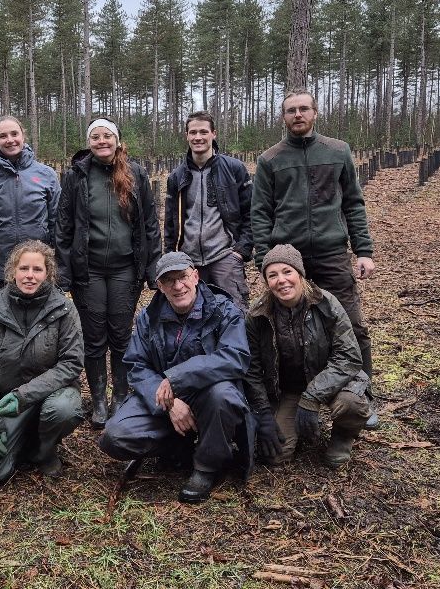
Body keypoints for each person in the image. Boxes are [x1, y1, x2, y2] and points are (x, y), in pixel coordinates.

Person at [250, 90, 378, 427]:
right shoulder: (270, 159)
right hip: (288, 258)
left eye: (303, 109)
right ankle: (288, 392)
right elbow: (260, 213)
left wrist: (363, 250)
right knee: (285, 327)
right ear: (283, 117)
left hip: (331, 253)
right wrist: (264, 261)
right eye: (291, 110)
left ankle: (363, 393)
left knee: (353, 323)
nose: (298, 115)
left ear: (315, 113)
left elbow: (353, 203)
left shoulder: (337, 151)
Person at [99, 252, 254, 504]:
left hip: (208, 396)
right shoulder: (148, 317)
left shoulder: (224, 310)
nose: (178, 286)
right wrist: (170, 404)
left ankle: (206, 467)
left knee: (222, 395)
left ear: (195, 276)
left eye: (182, 277)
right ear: (160, 286)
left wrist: (178, 377)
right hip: (163, 398)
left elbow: (235, 357)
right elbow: (136, 365)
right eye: (169, 280)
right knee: (114, 437)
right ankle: (179, 445)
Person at [55, 117, 161, 428]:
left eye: (107, 136)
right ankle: (99, 398)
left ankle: (121, 395)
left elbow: (150, 224)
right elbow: (63, 225)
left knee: (121, 334)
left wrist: (153, 267)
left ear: (117, 140)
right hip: (87, 271)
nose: (102, 141)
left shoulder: (136, 173)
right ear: (89, 142)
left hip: (125, 268)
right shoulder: (76, 175)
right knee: (94, 337)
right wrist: (63, 270)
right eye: (95, 137)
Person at [0, 240, 84, 486]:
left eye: (37, 269)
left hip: (49, 396)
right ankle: (20, 442)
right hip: (6, 404)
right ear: (13, 271)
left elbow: (71, 363)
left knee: (63, 409)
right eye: (23, 268)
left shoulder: (64, 310)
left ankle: (45, 450)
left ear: (48, 273)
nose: (30, 275)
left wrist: (23, 395)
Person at [244, 245, 370, 470]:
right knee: (274, 455)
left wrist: (312, 397)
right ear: (266, 282)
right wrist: (263, 414)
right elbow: (252, 369)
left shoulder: (326, 304)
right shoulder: (257, 314)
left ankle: (343, 435)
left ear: (300, 274)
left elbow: (349, 357)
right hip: (289, 389)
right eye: (272, 275)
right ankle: (297, 426)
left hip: (332, 382)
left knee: (351, 404)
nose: (281, 280)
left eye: (287, 272)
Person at [164, 110, 253, 310]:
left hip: (225, 256)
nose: (198, 137)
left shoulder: (234, 169)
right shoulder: (177, 176)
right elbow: (170, 223)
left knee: (235, 313)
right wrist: (171, 257)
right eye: (193, 132)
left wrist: (241, 251)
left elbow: (251, 212)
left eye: (203, 132)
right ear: (186, 136)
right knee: (195, 316)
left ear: (214, 134)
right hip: (189, 261)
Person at [0, 116, 60, 304]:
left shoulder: (46, 175)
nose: (10, 140)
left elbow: (57, 224)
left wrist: (59, 266)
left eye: (14, 134)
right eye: (3, 136)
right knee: (0, 319)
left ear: (23, 136)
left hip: (36, 268)